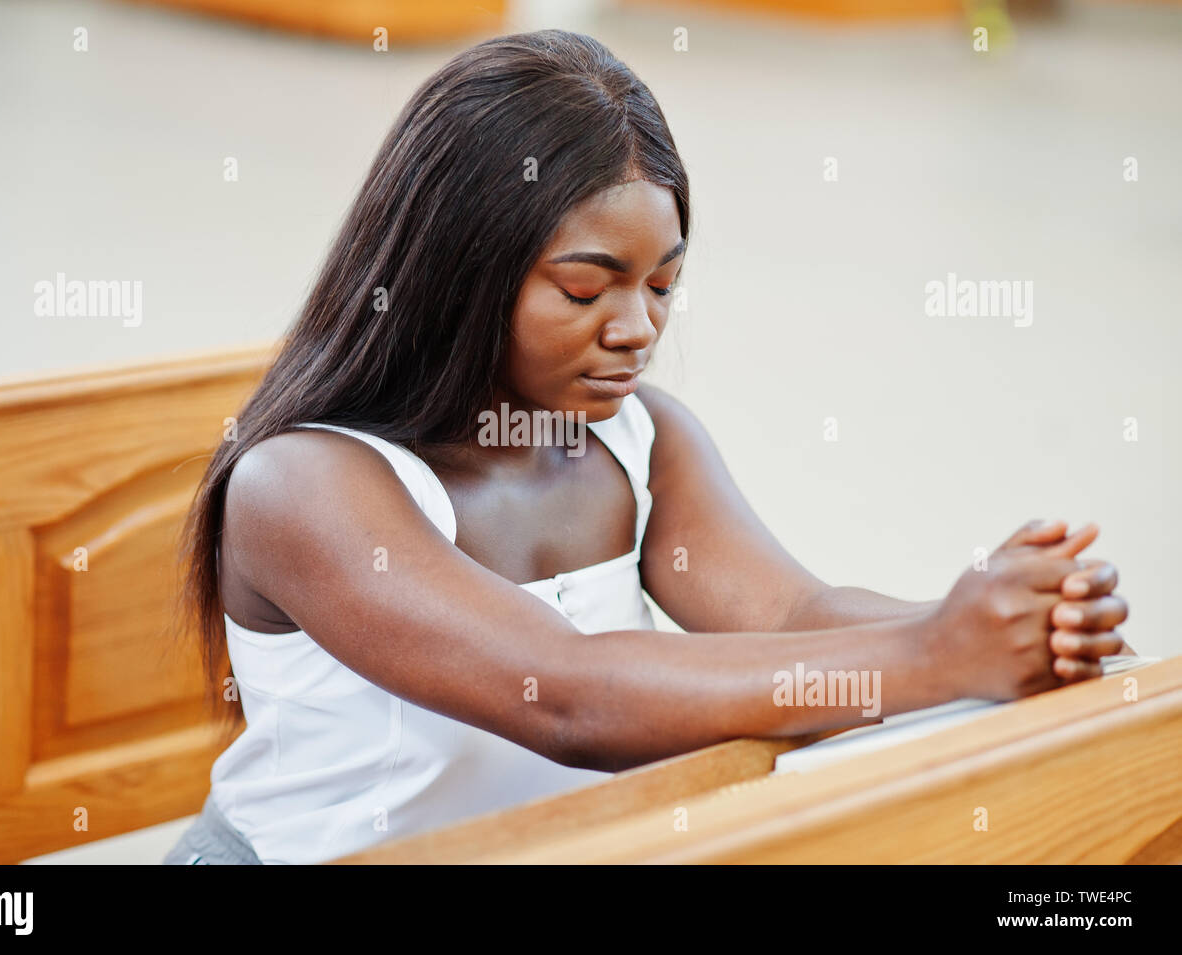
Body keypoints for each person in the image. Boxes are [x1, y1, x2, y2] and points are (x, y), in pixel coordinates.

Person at [166, 29, 1128, 865]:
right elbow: (567, 698)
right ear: (457, 271)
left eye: (661, 285)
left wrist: (996, 623)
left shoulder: (641, 440)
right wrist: (933, 657)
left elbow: (794, 614)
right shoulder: (304, 484)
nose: (637, 329)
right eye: (587, 289)